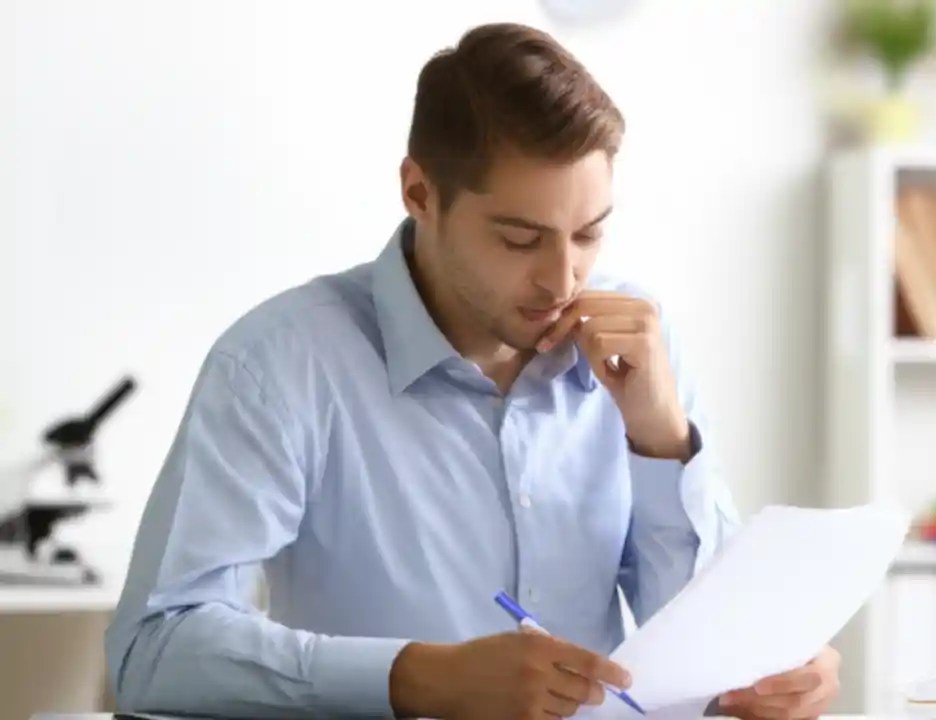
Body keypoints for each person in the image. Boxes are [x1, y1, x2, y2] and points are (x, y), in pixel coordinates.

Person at [105, 22, 839, 719]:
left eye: (588, 233)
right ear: (419, 193)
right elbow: (155, 647)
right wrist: (424, 677)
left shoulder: (637, 340)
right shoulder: (281, 363)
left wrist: (663, 444)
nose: (563, 278)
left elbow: (697, 652)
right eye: (521, 239)